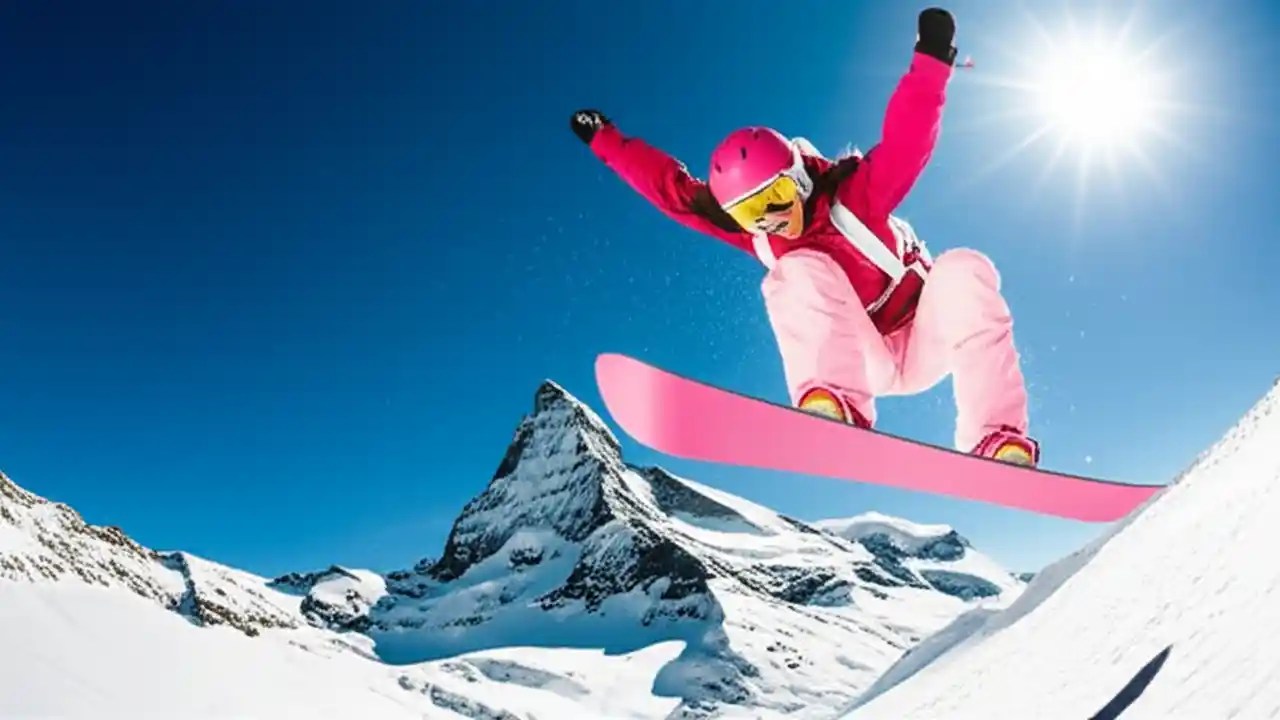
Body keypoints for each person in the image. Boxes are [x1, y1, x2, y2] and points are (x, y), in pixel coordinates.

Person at [570, 8, 1038, 467]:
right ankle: (832, 404)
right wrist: (607, 142)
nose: (770, 219)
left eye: (776, 197)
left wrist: (933, 61)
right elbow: (672, 192)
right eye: (750, 212)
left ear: (798, 176)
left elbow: (907, 141)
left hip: (928, 333)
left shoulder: (857, 196)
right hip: (860, 356)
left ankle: (997, 438)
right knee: (793, 270)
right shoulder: (763, 240)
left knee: (963, 268)